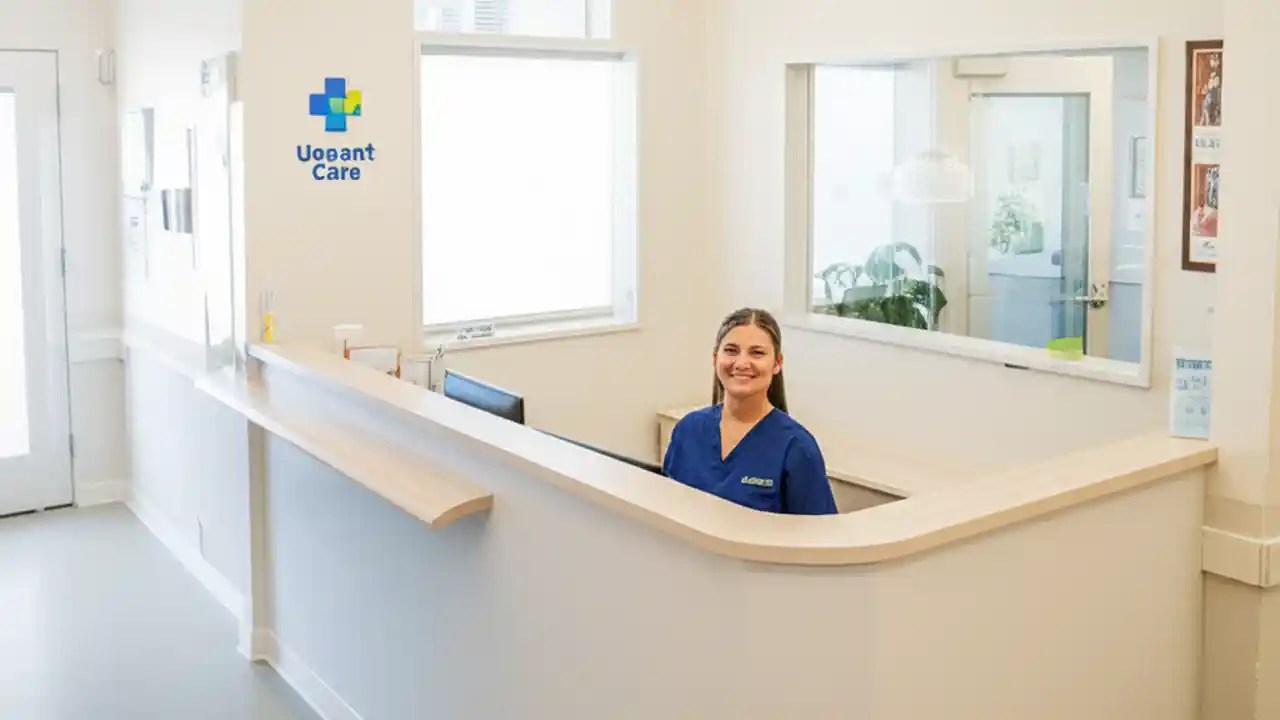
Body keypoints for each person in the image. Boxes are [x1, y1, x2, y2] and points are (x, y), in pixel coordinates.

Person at [662, 308, 838, 515]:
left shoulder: (797, 448)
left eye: (757, 353)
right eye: (731, 350)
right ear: (715, 358)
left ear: (777, 363)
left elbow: (819, 536)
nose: (742, 363)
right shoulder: (688, 431)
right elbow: (667, 512)